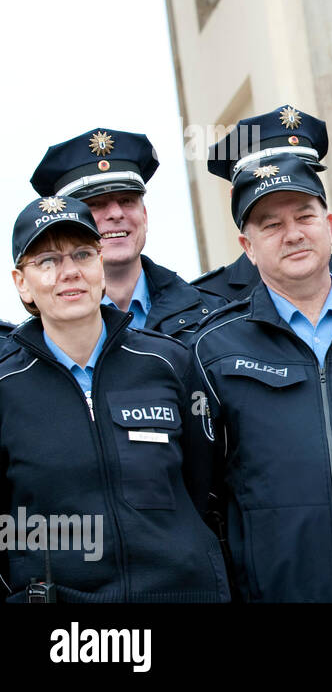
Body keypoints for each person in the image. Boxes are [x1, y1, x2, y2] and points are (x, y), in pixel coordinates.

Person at [189, 153, 332, 602]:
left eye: (304, 216)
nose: (293, 234)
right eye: (271, 225)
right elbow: (205, 500)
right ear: (248, 247)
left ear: (330, 225)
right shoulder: (213, 351)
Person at [1, 196, 228, 602]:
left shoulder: (168, 362)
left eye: (83, 254)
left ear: (101, 264)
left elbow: (205, 483)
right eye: (48, 261)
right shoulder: (6, 385)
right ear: (22, 282)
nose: (69, 272)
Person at [197, 105, 332, 310]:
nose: (289, 184)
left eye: (303, 175)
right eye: (273, 177)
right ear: (237, 197)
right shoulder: (208, 299)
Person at [29, 129, 222, 338]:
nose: (115, 213)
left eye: (127, 200)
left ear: (145, 215)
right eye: (95, 204)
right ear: (66, 230)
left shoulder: (214, 317)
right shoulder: (34, 346)